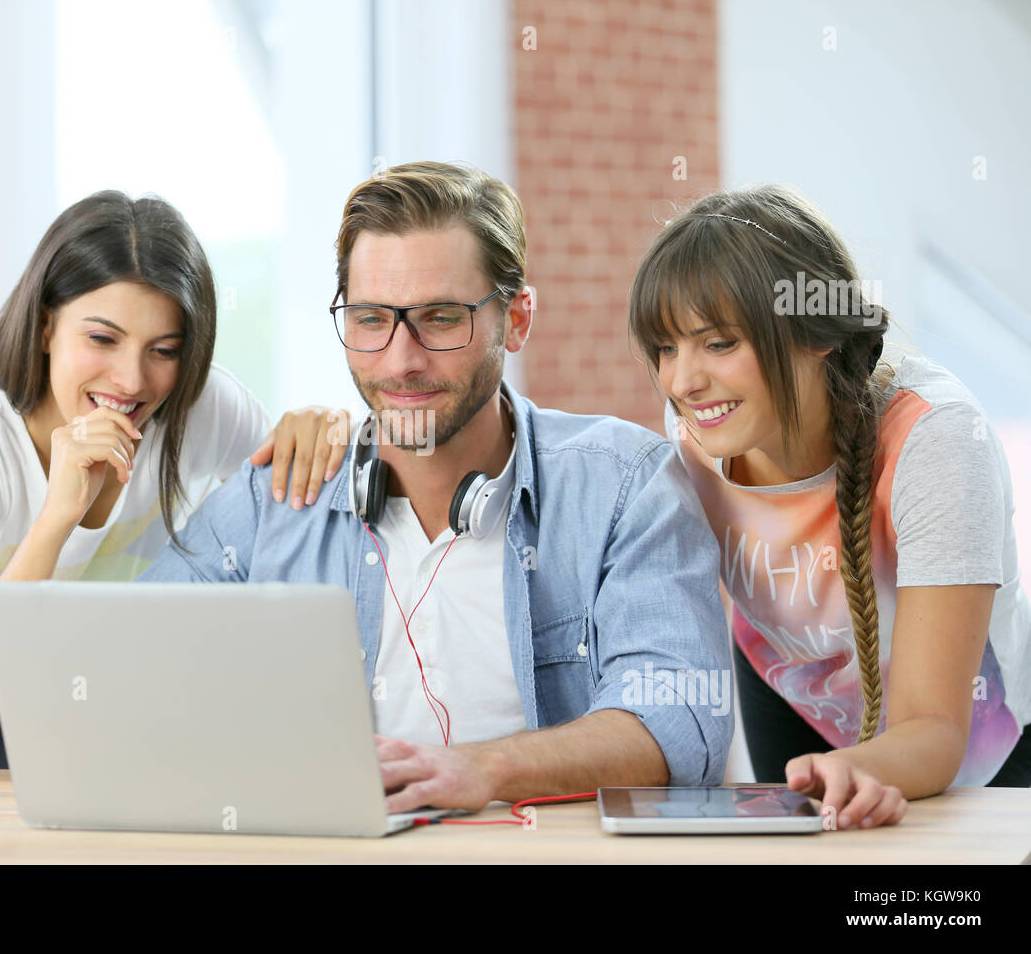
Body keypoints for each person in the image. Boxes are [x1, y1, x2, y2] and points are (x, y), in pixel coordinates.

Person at [139, 161, 732, 812]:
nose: (401, 360)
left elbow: (679, 723)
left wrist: (485, 770)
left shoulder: (624, 487)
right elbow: (128, 679)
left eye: (440, 318)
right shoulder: (273, 497)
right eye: (371, 320)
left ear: (516, 318)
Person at [0, 191, 348, 773]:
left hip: (68, 665)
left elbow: (298, 498)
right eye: (102, 339)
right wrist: (55, 518)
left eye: (163, 350)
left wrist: (324, 431)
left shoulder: (198, 407)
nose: (132, 381)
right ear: (46, 325)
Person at [628, 184, 1031, 829]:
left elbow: (934, 724)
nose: (682, 381)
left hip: (985, 741)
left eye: (719, 343)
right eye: (667, 348)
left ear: (816, 333)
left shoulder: (938, 441)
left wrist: (866, 765)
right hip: (789, 687)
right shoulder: (699, 434)